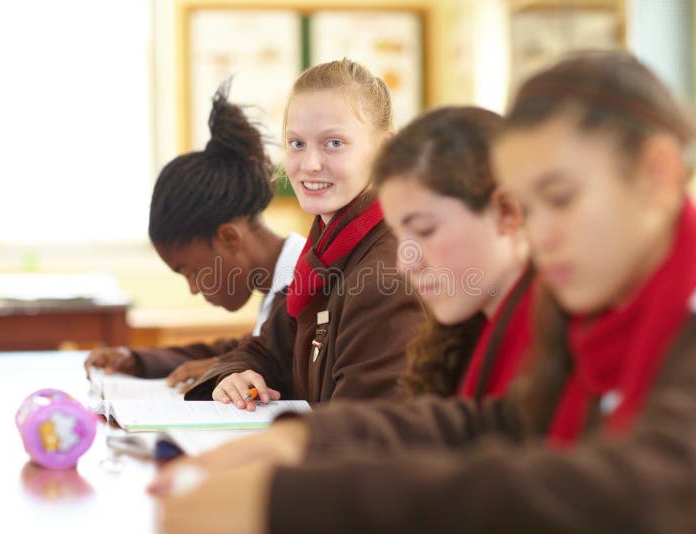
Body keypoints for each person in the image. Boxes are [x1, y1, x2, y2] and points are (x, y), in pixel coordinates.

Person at [151, 51, 696, 533]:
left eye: (560, 199)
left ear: (659, 175)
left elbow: (645, 489)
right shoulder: (595, 319)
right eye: (529, 206)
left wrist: (291, 499)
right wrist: (300, 443)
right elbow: (491, 424)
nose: (537, 233)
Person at [183, 58, 426, 408]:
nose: (309, 164)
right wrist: (237, 377)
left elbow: (363, 434)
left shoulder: (385, 274)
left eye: (334, 143)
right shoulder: (323, 252)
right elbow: (263, 350)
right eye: (297, 144)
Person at [84, 83, 306, 391]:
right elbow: (241, 347)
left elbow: (278, 364)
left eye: (190, 270)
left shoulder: (306, 286)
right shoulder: (281, 284)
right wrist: (135, 359)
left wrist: (226, 367)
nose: (192, 287)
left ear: (229, 239)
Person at [373, 106, 532, 399]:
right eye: (398, 236)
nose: (404, 264)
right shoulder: (466, 337)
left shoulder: (550, 347)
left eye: (424, 230)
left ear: (506, 211)